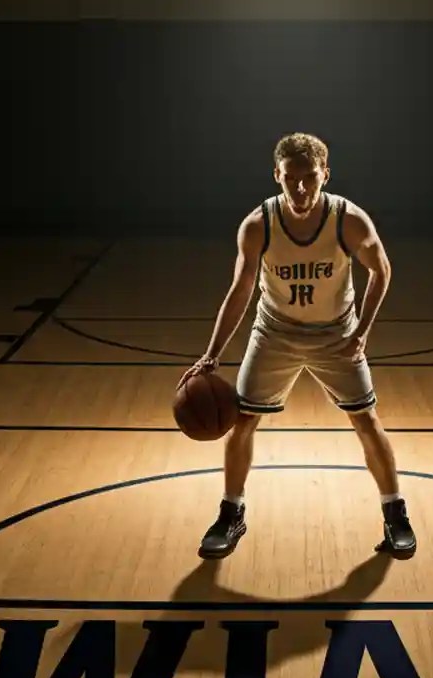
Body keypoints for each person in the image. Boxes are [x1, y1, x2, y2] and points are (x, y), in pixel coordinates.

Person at [177, 132, 417, 560]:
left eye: (310, 177)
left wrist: (362, 330)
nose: (301, 188)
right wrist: (212, 353)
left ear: (326, 174)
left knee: (366, 420)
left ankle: (395, 514)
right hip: (275, 333)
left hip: (335, 334)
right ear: (277, 176)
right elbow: (241, 289)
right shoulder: (258, 225)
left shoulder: (349, 220)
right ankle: (231, 513)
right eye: (291, 178)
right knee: (242, 422)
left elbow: (381, 270)